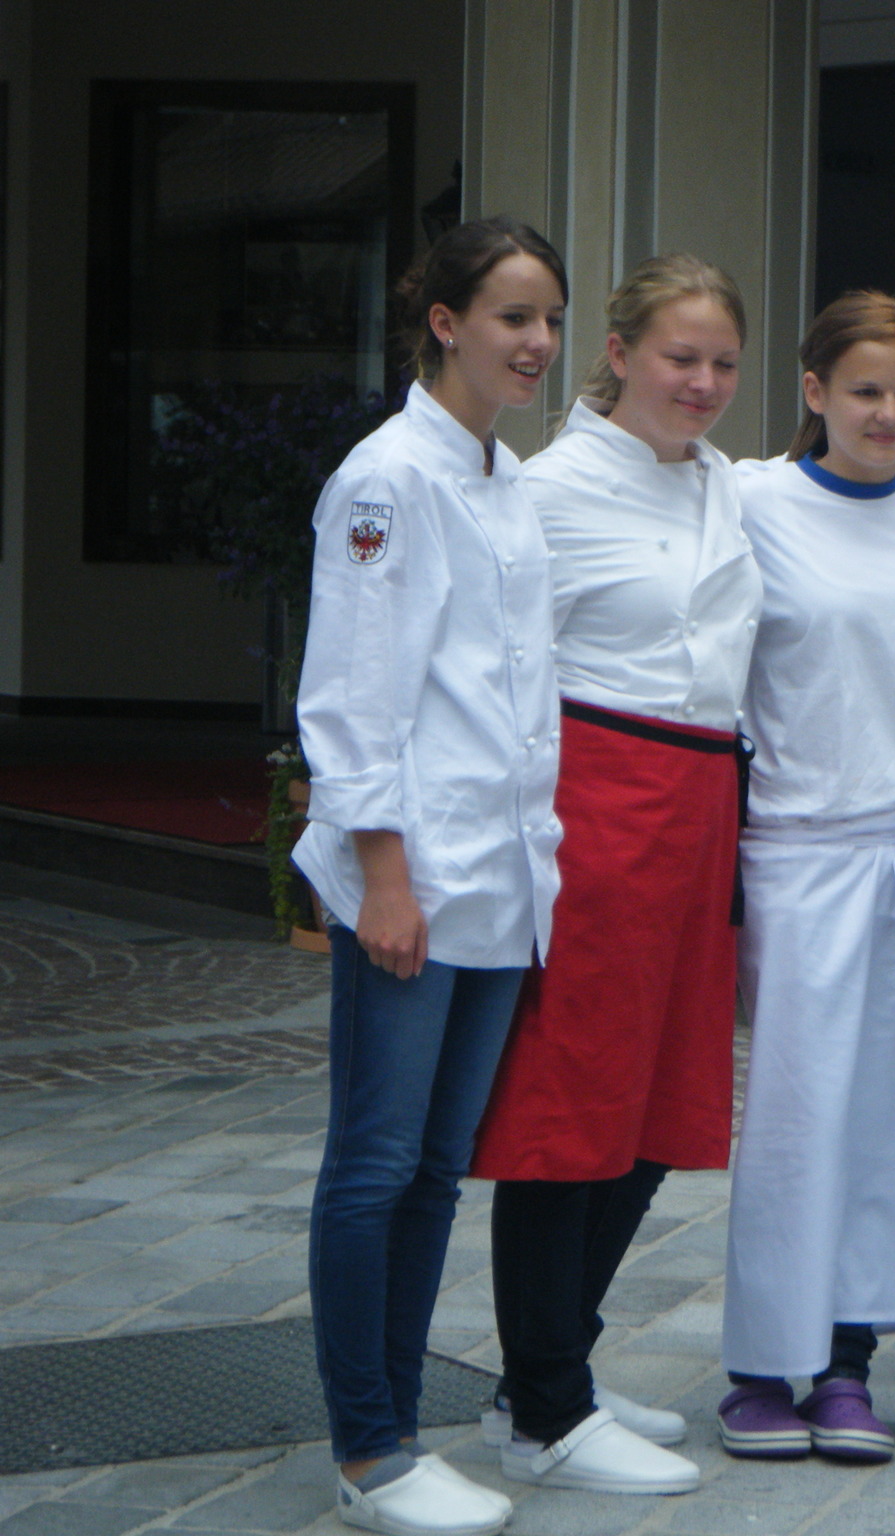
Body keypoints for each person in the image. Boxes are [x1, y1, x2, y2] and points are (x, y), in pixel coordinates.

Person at [468, 254, 760, 1496]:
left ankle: (554, 1364)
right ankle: (542, 1408)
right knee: (565, 1113)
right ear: (623, 354)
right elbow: (495, 676)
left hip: (700, 808)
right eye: (678, 357)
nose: (699, 383)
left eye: (721, 365)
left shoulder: (732, 490)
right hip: (589, 805)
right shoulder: (545, 493)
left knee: (654, 1106)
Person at [295, 216, 566, 1535]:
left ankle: (400, 1429)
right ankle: (368, 1449)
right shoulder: (387, 480)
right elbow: (352, 702)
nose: (539, 343)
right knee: (375, 1162)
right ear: (444, 321)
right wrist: (383, 878)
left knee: (433, 1166)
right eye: (514, 316)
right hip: (414, 876)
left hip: (499, 885)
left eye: (552, 320)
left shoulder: (505, 477)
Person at [716, 291, 895, 1464]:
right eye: (864, 390)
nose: (888, 413)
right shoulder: (756, 503)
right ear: (813, 392)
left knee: (890, 1123)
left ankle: (851, 1361)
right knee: (797, 1118)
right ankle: (765, 1366)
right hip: (798, 853)